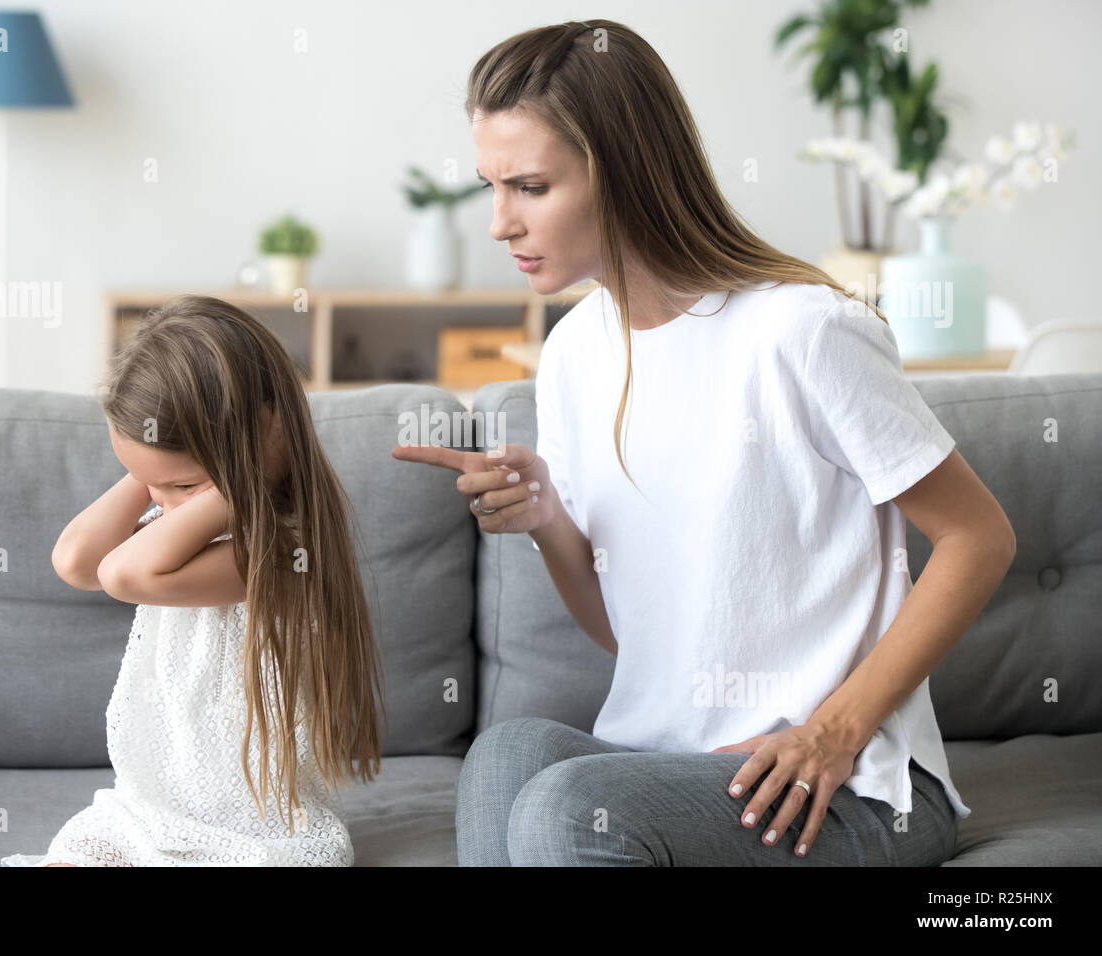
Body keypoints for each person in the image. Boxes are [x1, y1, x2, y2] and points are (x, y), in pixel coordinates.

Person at [393, 20, 1016, 866]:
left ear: (624, 172)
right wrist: (544, 514)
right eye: (491, 187)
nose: (500, 223)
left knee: (571, 808)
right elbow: (630, 633)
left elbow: (980, 537)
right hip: (673, 767)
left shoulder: (803, 330)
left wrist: (831, 732)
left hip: (845, 790)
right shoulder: (576, 352)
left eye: (531, 186)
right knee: (506, 756)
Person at [1, 294, 386, 866]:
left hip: (258, 822)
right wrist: (155, 473)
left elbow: (122, 573)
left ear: (257, 446)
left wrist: (236, 480)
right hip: (147, 808)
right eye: (144, 481)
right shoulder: (177, 516)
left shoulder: (279, 550)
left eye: (182, 484)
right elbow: (76, 561)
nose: (160, 501)